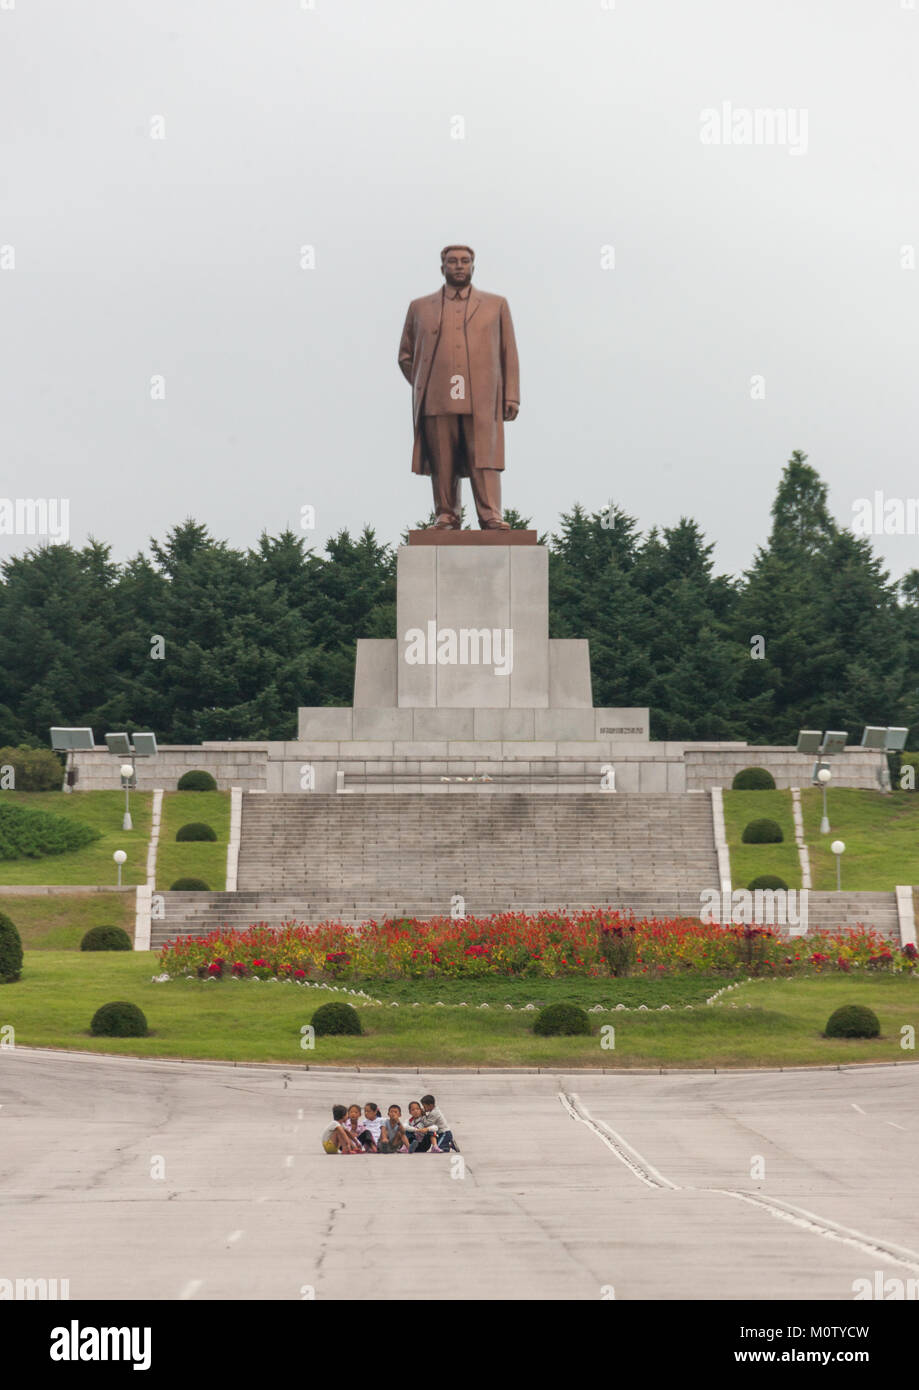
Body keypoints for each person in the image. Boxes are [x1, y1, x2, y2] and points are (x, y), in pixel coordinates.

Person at [398, 245, 520, 531]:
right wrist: (424, 383)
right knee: (443, 459)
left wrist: (511, 394)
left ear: (473, 267)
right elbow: (406, 355)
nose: (459, 266)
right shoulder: (419, 307)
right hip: (436, 399)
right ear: (442, 268)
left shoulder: (496, 304)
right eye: (452, 261)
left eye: (465, 261)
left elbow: (508, 352)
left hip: (483, 398)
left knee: (485, 458)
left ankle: (490, 514)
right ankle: (446, 514)